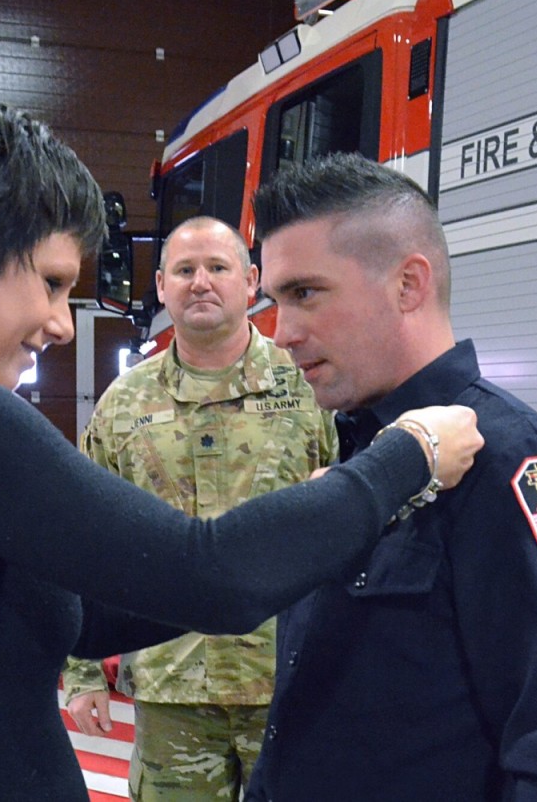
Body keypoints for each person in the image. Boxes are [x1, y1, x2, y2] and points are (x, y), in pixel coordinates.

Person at [0, 97, 482, 801]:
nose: (62, 324)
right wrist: (408, 456)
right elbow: (208, 576)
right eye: (53, 282)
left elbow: (91, 611)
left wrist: (301, 544)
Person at [249, 151, 537, 800]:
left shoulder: (516, 465)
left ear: (409, 285)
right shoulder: (359, 448)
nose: (283, 333)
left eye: (305, 294)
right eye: (274, 301)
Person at [62, 215, 336, 800]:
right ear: (161, 287)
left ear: (251, 281)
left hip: (290, 680)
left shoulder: (310, 386)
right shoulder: (123, 404)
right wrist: (83, 671)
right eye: (184, 270)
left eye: (217, 267)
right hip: (172, 690)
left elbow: (357, 517)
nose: (200, 282)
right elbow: (82, 541)